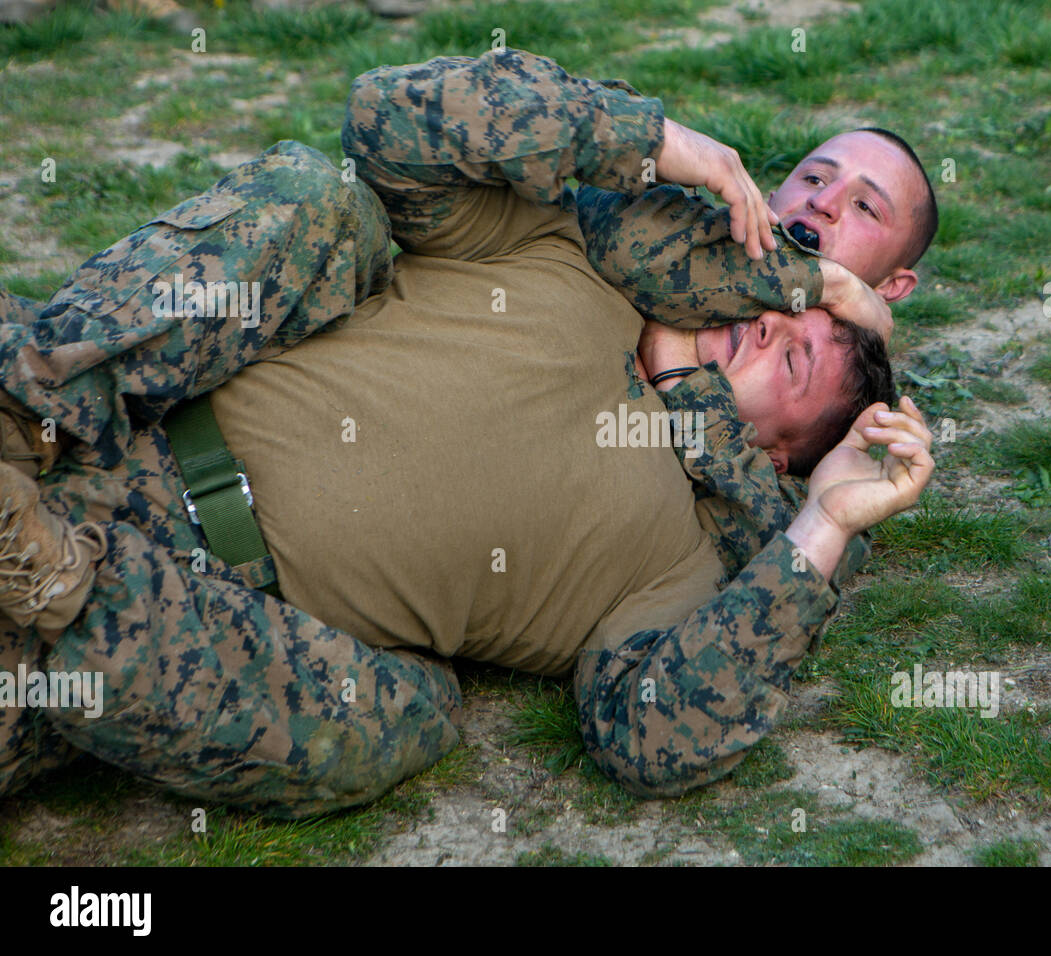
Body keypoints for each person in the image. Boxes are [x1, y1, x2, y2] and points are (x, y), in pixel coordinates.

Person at [0, 48, 934, 817]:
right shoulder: (573, 248)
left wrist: (824, 523)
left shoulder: (694, 565)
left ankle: (46, 568)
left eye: (798, 357)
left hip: (142, 617)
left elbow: (656, 734)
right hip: (116, 429)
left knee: (401, 722)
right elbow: (387, 118)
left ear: (783, 454)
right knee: (323, 197)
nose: (771, 316)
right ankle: (27, 400)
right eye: (815, 177)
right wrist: (649, 138)